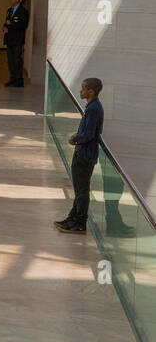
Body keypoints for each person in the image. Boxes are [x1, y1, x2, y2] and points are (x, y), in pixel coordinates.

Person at [56, 78, 105, 235]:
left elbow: (89, 134)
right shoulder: (91, 106)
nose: (80, 91)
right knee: (79, 190)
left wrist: (74, 138)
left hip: (85, 155)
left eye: (83, 88)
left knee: (82, 191)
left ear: (91, 91)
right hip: (83, 154)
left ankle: (80, 223)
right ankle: (72, 218)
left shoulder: (93, 109)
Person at [2, 0, 29, 87]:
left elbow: (23, 25)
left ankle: (19, 80)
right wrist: (4, 27)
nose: (11, 1)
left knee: (17, 60)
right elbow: (6, 22)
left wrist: (11, 23)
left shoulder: (23, 11)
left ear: (17, 0)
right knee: (10, 60)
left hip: (18, 40)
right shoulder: (9, 10)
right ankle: (12, 79)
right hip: (9, 39)